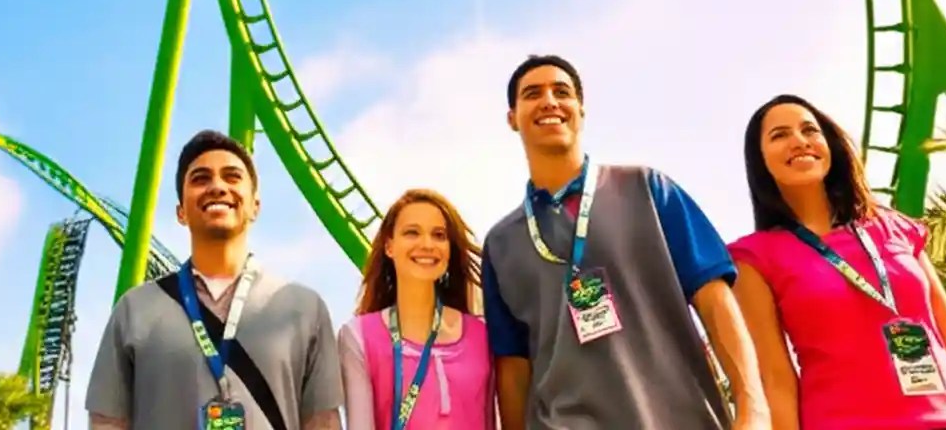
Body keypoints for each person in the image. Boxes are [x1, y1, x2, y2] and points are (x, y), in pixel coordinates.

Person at [480, 54, 770, 430]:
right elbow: (514, 370)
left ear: (581, 111)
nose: (549, 101)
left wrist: (753, 408)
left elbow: (715, 302)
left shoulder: (648, 189)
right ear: (512, 118)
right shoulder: (501, 243)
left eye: (561, 92)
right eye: (532, 94)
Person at [727, 93, 946, 430]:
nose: (799, 141)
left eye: (809, 130)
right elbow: (776, 378)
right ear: (760, 161)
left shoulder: (895, 227)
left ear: (829, 144)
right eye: (779, 135)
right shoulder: (754, 257)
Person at [85, 129, 345, 429]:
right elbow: (107, 422)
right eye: (200, 179)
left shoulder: (303, 308)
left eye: (232, 177)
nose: (217, 186)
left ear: (255, 206)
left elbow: (322, 422)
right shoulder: (134, 309)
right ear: (181, 212)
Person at [338, 188, 496, 429]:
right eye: (412, 233)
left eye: (439, 235)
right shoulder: (358, 337)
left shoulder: (483, 336)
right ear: (389, 246)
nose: (427, 244)